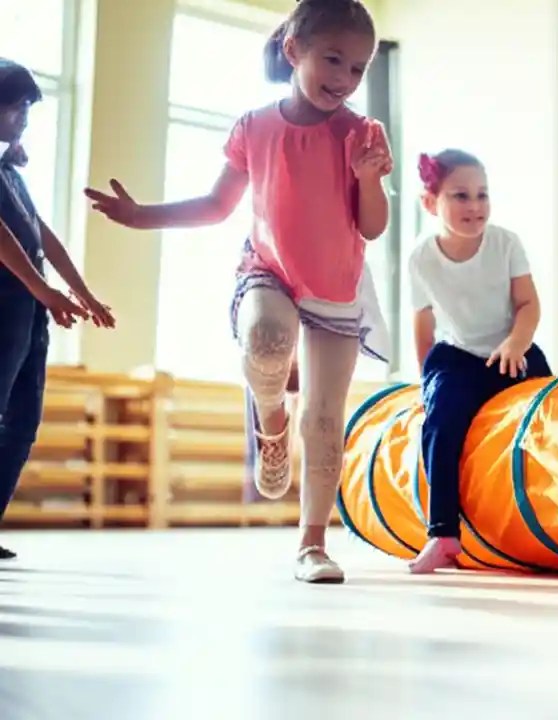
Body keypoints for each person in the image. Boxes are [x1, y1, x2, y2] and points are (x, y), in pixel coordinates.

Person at [84, 0, 391, 583]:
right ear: (293, 50)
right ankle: (270, 416)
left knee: (326, 419)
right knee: (266, 336)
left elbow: (371, 227)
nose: (346, 79)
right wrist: (141, 215)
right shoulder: (254, 126)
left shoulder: (361, 133)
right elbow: (215, 205)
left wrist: (369, 178)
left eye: (359, 68)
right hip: (268, 268)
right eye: (333, 60)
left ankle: (312, 543)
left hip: (336, 285)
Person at [406, 149, 553, 574]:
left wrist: (515, 344)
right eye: (461, 196)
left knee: (547, 412)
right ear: (431, 203)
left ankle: (546, 512)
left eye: (482, 195)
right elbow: (423, 324)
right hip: (458, 356)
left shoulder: (505, 243)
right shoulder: (422, 259)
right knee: (441, 423)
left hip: (511, 346)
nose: (475, 206)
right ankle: (443, 532)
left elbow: (528, 304)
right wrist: (423, 386)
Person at [0, 58, 115, 560]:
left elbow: (40, 234)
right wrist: (43, 290)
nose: (24, 115)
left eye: (27, 107)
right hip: (6, 305)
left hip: (29, 311)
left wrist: (80, 291)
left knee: (24, 420)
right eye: (16, 105)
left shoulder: (12, 172)